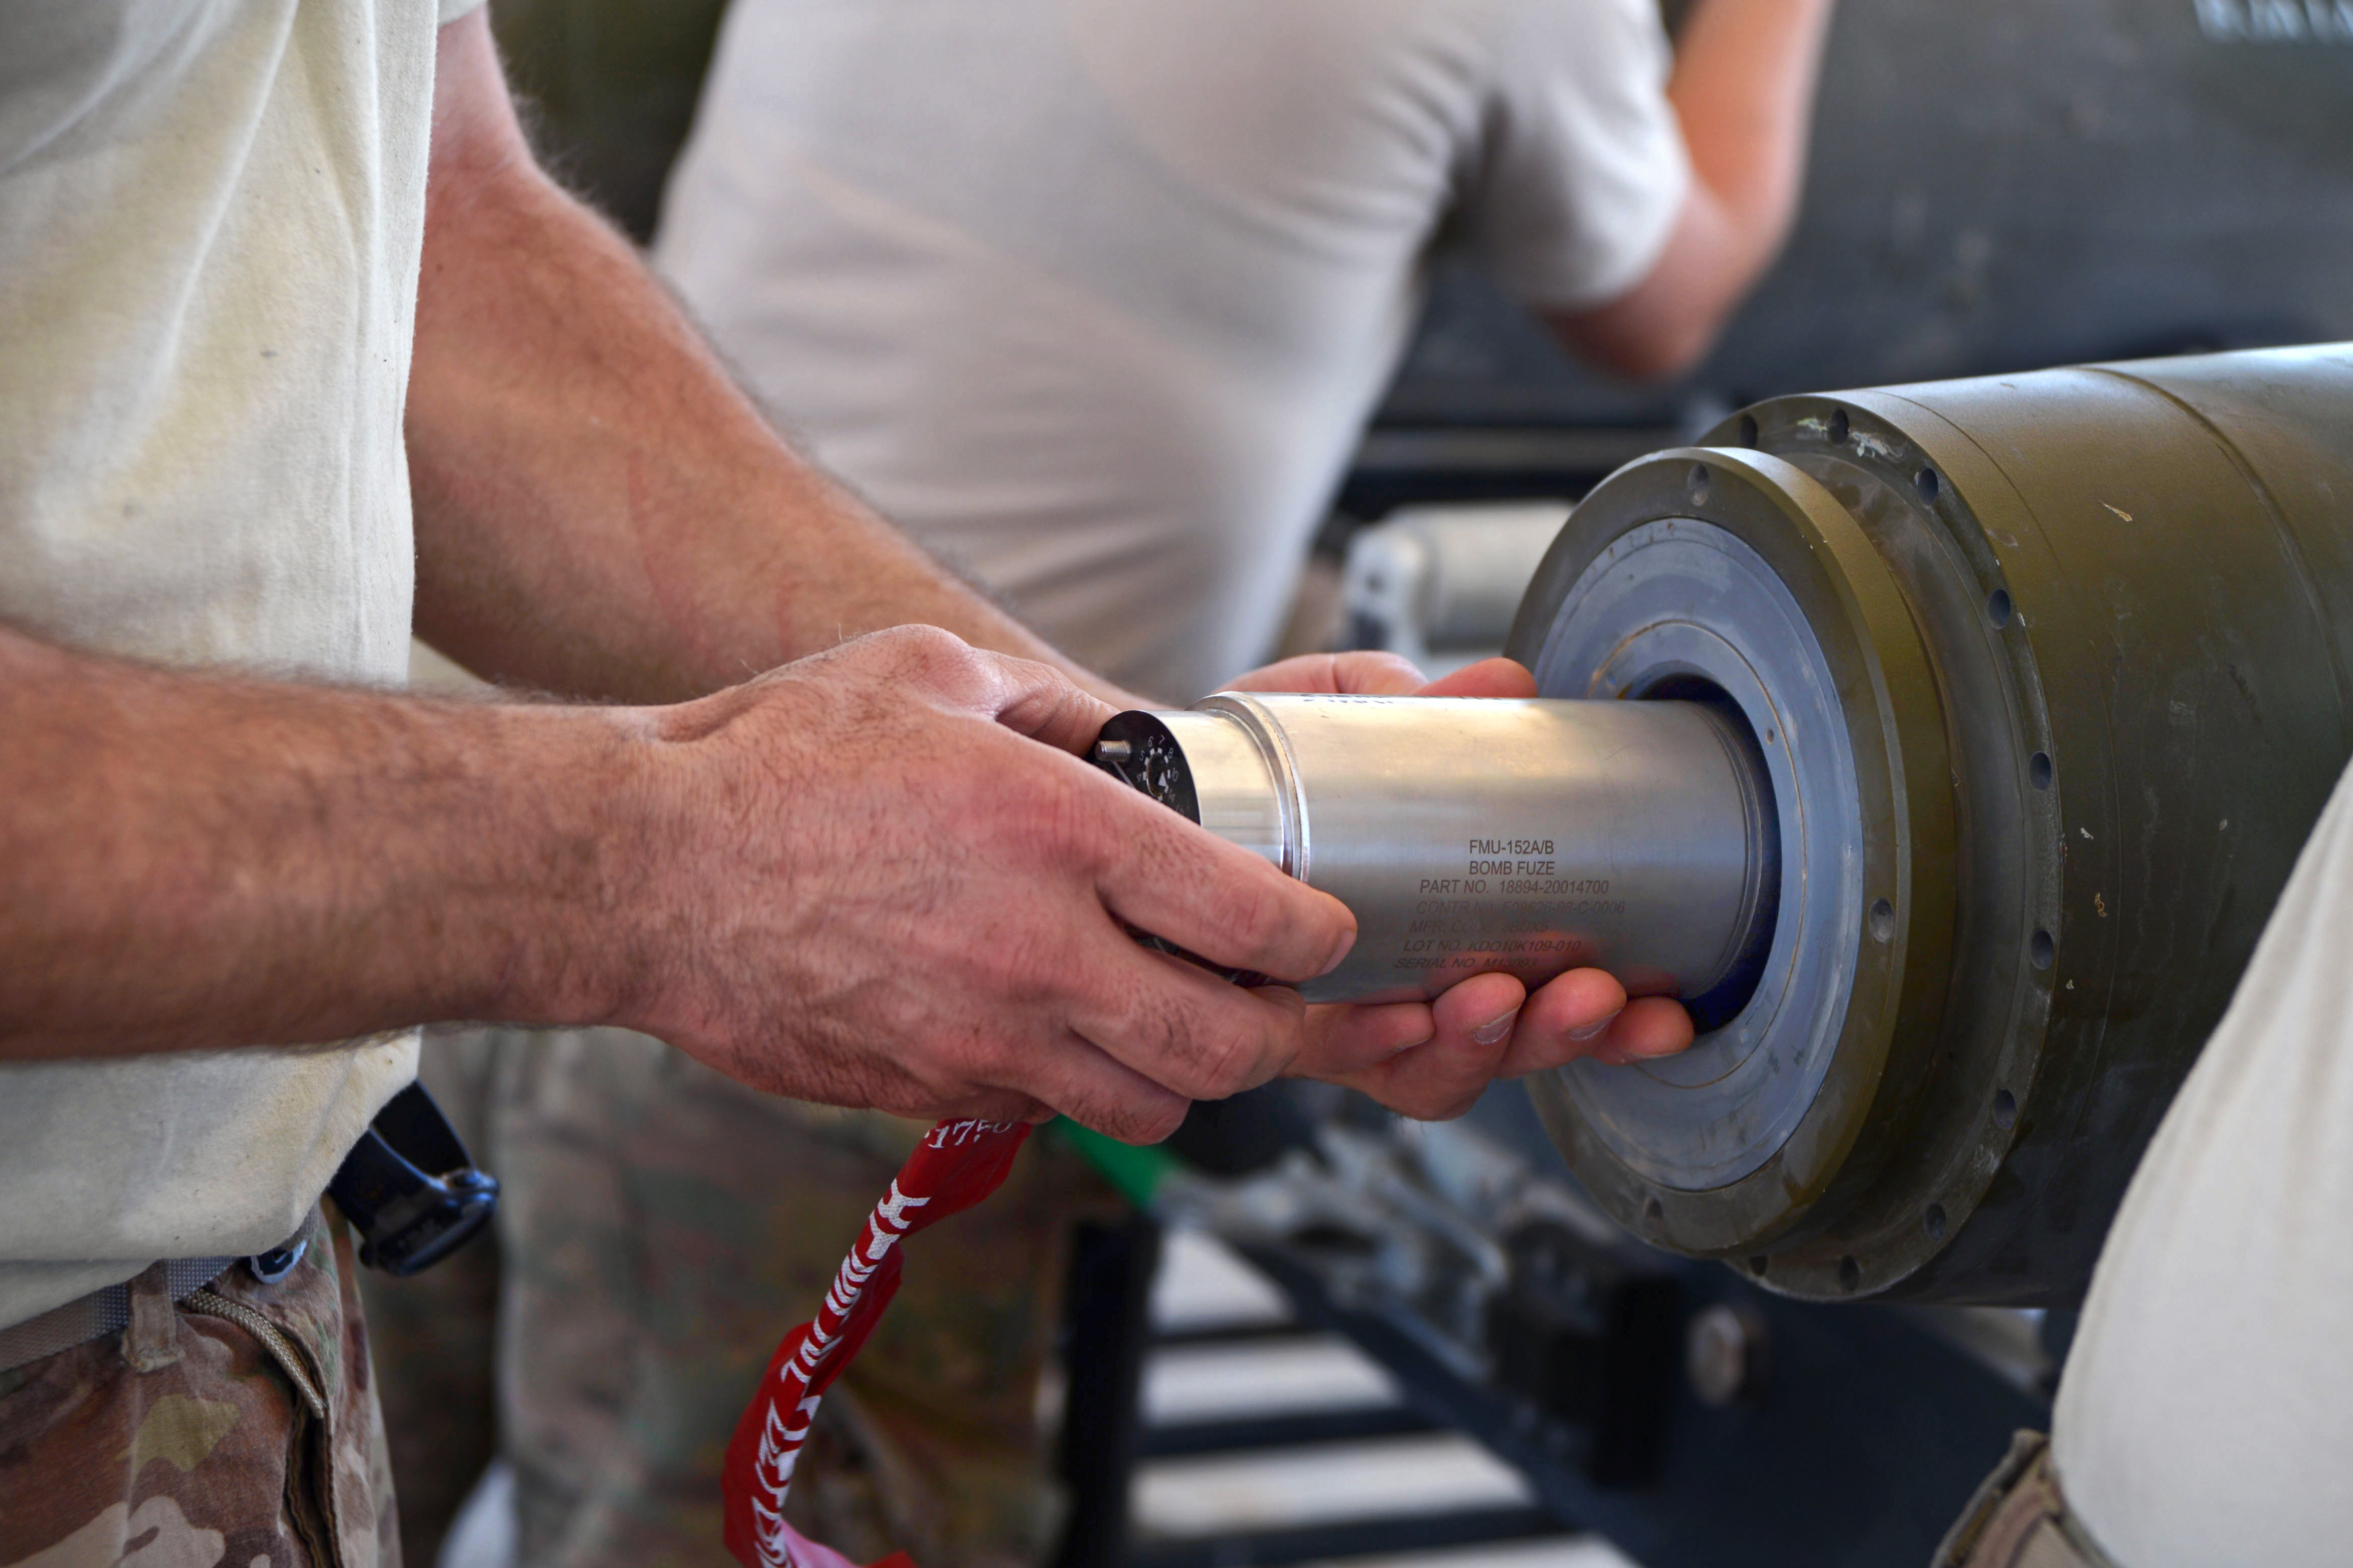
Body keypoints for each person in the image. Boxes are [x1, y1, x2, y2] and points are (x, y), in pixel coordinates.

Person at [0, 4, 1690, 1564]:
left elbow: (425, 239)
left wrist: (1099, 785)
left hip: (258, 1250)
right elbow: (1662, 304)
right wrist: (670, 863)